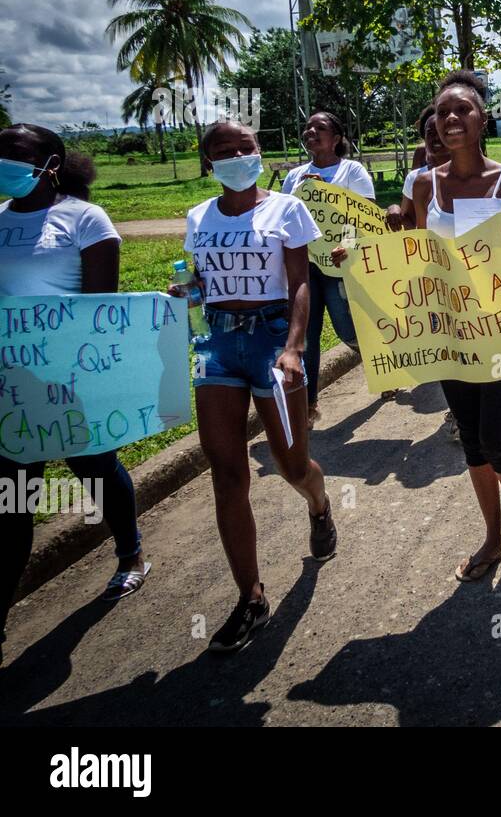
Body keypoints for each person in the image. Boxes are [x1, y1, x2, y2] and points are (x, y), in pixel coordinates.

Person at [173, 120, 335, 654]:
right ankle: (251, 596)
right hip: (217, 344)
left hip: (272, 340)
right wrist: (186, 290)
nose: (236, 156)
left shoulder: (285, 209)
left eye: (245, 148)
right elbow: (199, 281)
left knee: (291, 465)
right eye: (223, 151)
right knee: (226, 473)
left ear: (259, 152)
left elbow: (300, 283)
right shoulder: (199, 217)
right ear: (209, 162)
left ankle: (318, 503)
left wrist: (294, 347)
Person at [0, 124, 148, 664]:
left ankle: (130, 552)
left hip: (70, 379)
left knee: (95, 468)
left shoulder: (85, 220)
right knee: (12, 496)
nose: (4, 165)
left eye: (15, 157)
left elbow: (98, 309)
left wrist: (71, 370)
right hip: (10, 387)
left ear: (52, 163)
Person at [409, 71, 501, 580]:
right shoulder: (425, 186)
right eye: (443, 112)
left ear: (482, 117)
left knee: (497, 432)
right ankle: (492, 534)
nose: (451, 119)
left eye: (463, 109)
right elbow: (407, 255)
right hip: (451, 333)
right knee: (470, 435)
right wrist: (354, 257)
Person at [280, 111, 374, 427]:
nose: (311, 132)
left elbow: (364, 215)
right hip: (305, 266)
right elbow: (282, 218)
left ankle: (378, 362)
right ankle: (308, 405)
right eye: (307, 127)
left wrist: (346, 244)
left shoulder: (352, 171)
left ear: (336, 138)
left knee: (346, 327)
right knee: (307, 333)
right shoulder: (294, 177)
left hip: (339, 265)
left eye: (320, 128)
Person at [386, 105, 450, 232]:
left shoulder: (471, 175)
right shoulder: (415, 178)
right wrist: (394, 211)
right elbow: (409, 221)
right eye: (430, 133)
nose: (436, 138)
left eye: (440, 132)